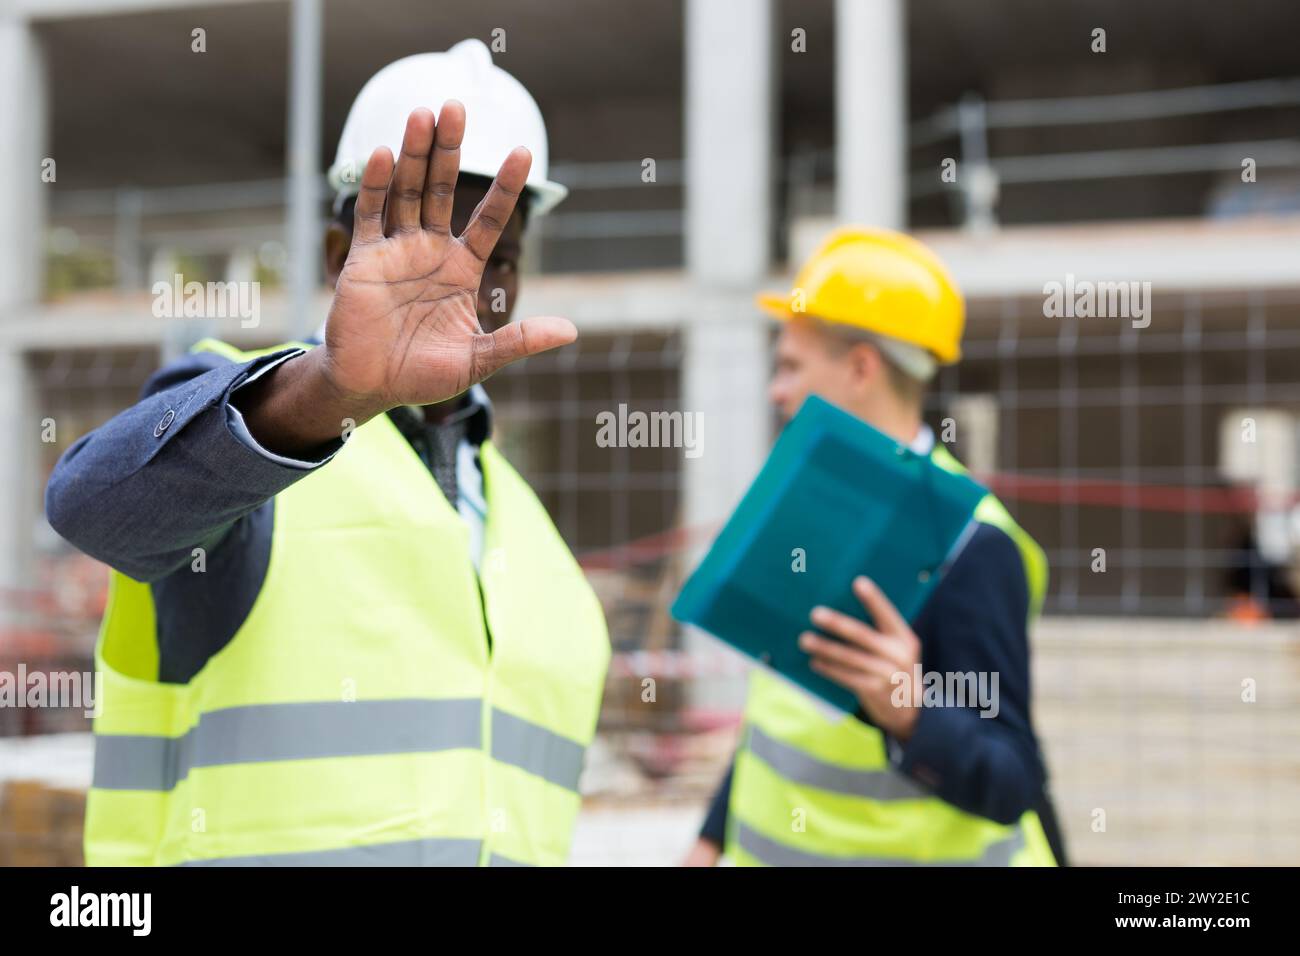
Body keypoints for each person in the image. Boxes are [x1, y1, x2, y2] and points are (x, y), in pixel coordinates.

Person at [45, 40, 609, 867]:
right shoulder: (250, 425)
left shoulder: (532, 539)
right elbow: (95, 509)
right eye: (432, 246)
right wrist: (333, 391)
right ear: (338, 258)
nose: (465, 286)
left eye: (498, 258)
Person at [683, 227, 1065, 866]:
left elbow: (1012, 776)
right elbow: (780, 710)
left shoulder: (971, 543)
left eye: (791, 366)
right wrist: (708, 841)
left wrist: (915, 715)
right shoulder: (807, 512)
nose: (775, 391)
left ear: (861, 367)